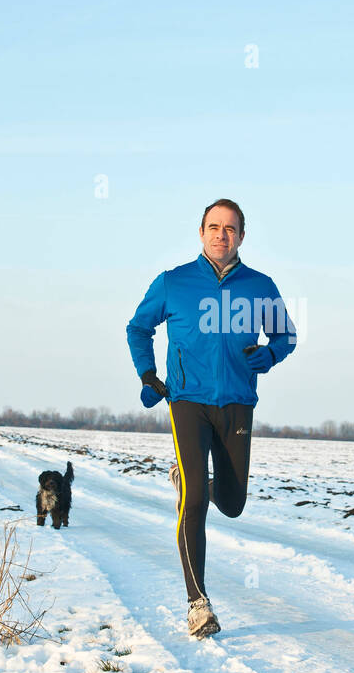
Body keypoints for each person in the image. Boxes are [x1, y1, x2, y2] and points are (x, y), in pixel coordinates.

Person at [126, 198, 297, 638]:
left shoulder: (260, 286)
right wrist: (148, 373)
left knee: (234, 503)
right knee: (197, 500)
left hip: (238, 401)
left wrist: (271, 353)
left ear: (242, 236)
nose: (222, 235)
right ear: (201, 233)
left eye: (231, 228)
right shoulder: (173, 283)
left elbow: (286, 335)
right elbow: (138, 328)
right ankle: (198, 603)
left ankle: (187, 478)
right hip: (188, 400)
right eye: (214, 227)